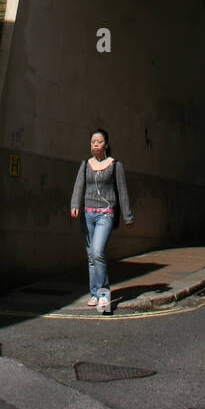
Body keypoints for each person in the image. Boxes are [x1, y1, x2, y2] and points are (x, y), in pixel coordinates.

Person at [70, 129, 133, 315]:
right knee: (91, 256)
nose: (95, 144)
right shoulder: (85, 165)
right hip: (88, 214)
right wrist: (75, 204)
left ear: (106, 144)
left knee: (98, 251)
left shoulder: (115, 165)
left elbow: (122, 191)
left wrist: (128, 216)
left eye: (98, 141)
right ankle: (95, 293)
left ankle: (104, 292)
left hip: (105, 213)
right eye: (92, 142)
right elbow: (78, 186)